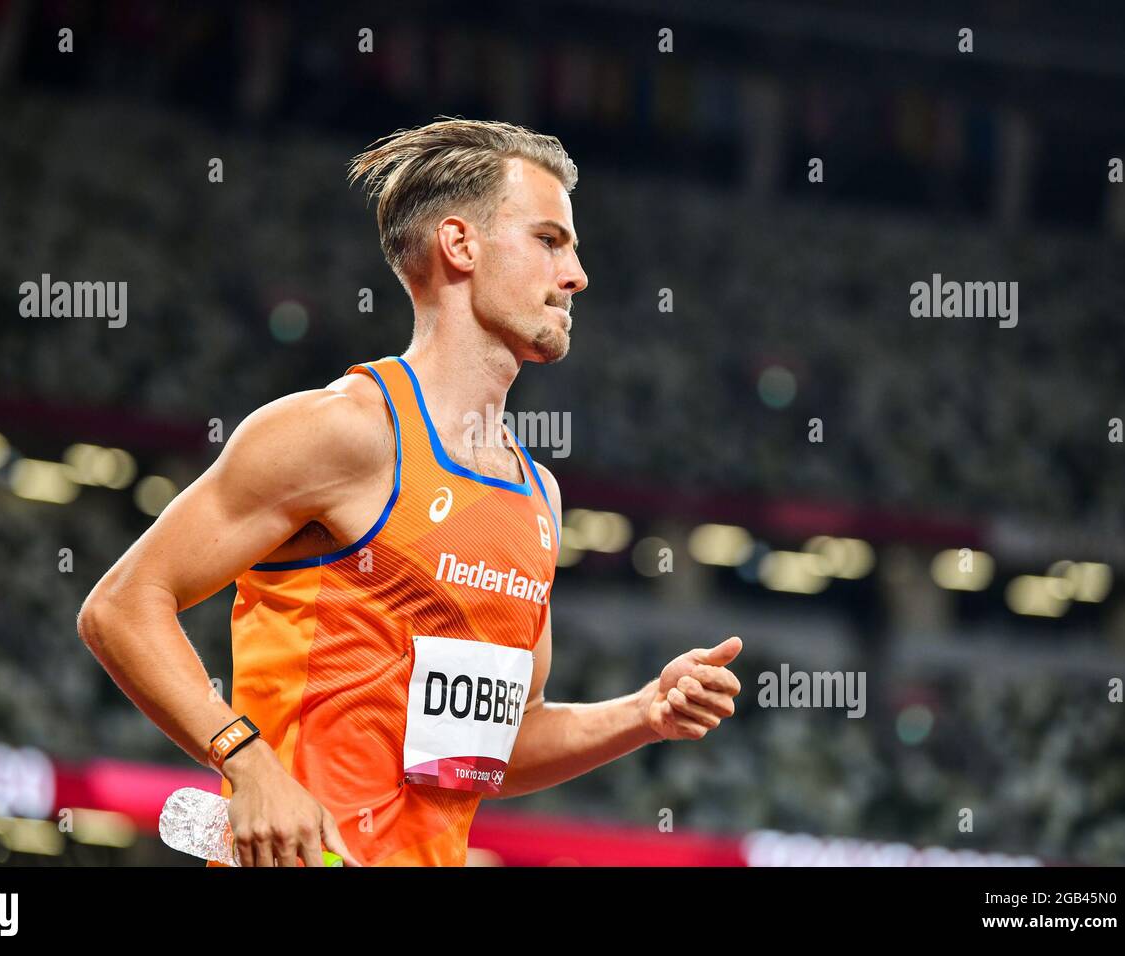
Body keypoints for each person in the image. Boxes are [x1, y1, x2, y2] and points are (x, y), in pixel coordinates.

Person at [78, 118, 743, 867]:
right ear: (460, 245)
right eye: (550, 241)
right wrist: (249, 765)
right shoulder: (342, 432)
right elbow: (122, 606)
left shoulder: (539, 498)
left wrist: (643, 713)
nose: (577, 275)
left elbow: (497, 750)